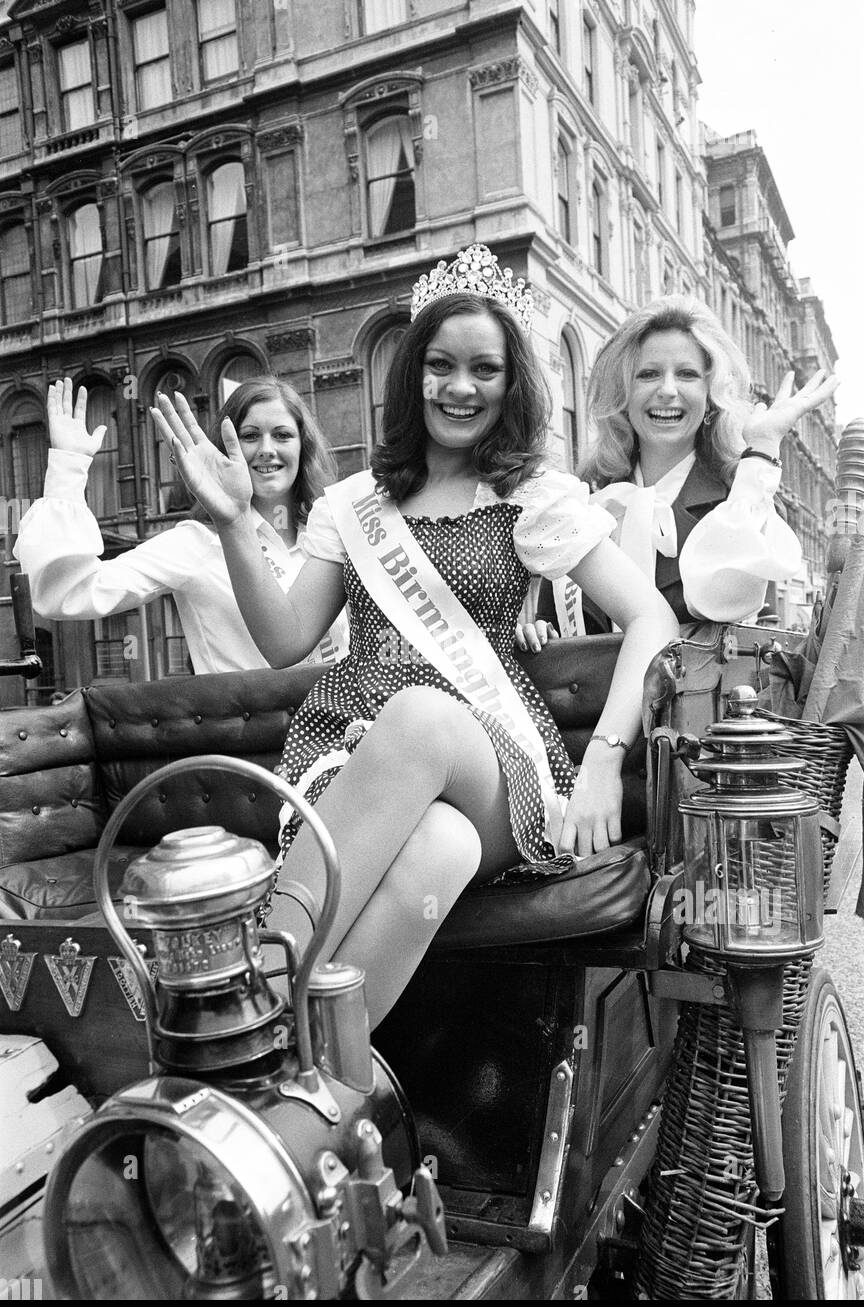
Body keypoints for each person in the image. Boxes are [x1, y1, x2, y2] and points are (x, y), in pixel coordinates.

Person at [152, 244, 679, 1027]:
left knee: (423, 715)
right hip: (354, 756)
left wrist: (602, 758)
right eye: (440, 364)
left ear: (510, 384)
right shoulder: (352, 502)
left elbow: (652, 619)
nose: (460, 387)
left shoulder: (528, 495)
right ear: (412, 374)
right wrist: (232, 522)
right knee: (438, 846)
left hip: (491, 760)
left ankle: (244, 997)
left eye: (485, 370)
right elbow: (284, 639)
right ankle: (319, 1079)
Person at [536, 296, 838, 636]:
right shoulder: (585, 499)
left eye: (687, 374)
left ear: (711, 394)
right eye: (648, 374)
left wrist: (763, 447)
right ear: (624, 393)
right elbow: (557, 635)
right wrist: (539, 636)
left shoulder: (743, 499)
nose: (667, 390)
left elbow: (722, 602)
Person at [14, 375, 349, 673]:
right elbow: (69, 594)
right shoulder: (197, 545)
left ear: (303, 446)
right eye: (249, 436)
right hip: (254, 737)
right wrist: (68, 466)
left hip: (345, 733)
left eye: (282, 435)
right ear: (225, 447)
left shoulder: (330, 536)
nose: (266, 450)